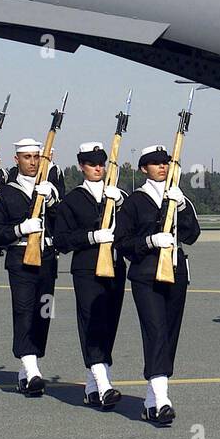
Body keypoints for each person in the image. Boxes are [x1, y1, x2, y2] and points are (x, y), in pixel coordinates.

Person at [115, 145, 201, 426]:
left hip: (176, 273)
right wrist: (150, 241)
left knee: (170, 334)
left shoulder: (177, 197)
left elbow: (192, 235)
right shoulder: (135, 202)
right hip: (146, 275)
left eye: (165, 162)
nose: (161, 167)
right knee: (156, 331)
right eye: (154, 163)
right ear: (143, 169)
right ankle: (162, 399)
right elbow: (122, 242)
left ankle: (153, 401)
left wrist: (184, 207)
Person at [0, 138, 63, 395]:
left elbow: (63, 226)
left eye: (36, 157)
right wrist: (20, 229)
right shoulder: (4, 193)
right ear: (16, 159)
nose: (32, 162)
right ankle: (31, 367)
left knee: (44, 312)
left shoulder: (49, 190)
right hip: (19, 258)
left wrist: (52, 204)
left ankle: (27, 369)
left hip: (47, 258)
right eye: (27, 157)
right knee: (24, 310)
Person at [53, 141, 128, 408]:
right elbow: (61, 240)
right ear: (82, 166)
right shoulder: (72, 200)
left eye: (101, 163)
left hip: (115, 267)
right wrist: (91, 236)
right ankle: (105, 384)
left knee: (109, 324)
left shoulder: (118, 197)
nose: (98, 168)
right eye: (92, 164)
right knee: (92, 321)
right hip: (86, 269)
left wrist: (121, 205)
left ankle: (92, 386)